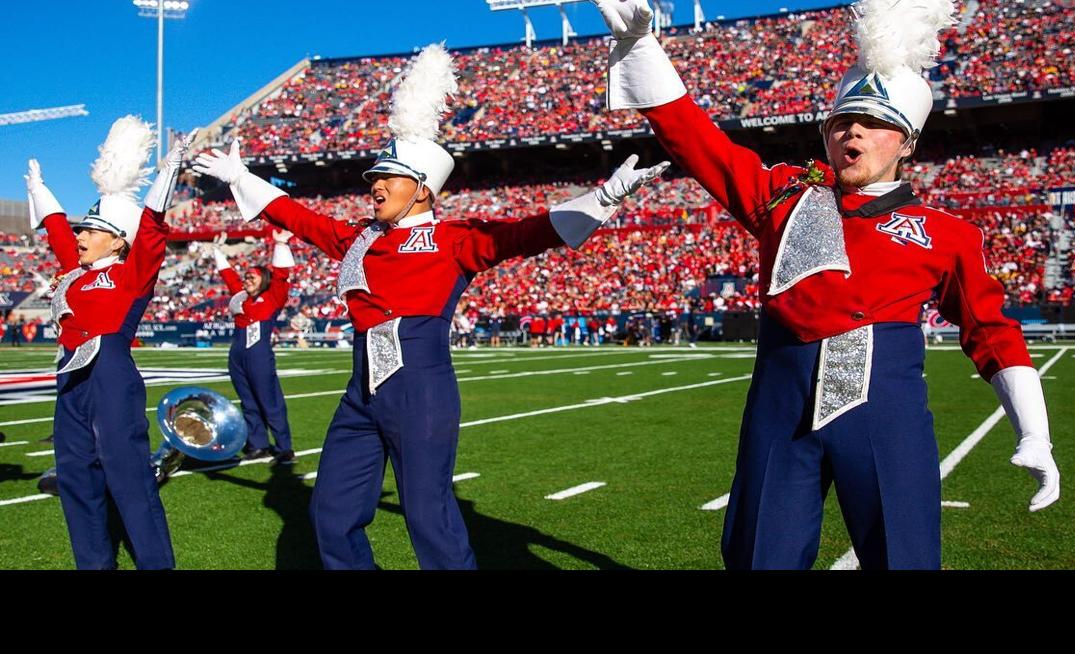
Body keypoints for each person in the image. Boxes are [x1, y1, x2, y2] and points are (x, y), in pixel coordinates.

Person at [590, 0, 1060, 569]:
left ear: (907, 142)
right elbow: (700, 143)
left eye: (876, 124)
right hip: (779, 406)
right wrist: (642, 47)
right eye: (842, 122)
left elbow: (991, 331)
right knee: (759, 555)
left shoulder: (948, 233)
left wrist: (1034, 431)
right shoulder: (785, 195)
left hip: (886, 409)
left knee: (903, 555)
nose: (853, 132)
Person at [194, 43, 668, 570]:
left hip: (420, 386)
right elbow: (299, 217)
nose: (374, 185)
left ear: (421, 189)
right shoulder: (356, 236)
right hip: (360, 391)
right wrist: (240, 176)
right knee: (331, 512)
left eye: (387, 178)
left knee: (428, 518)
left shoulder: (452, 238)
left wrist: (602, 198)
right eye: (374, 177)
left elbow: (522, 235)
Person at [26, 119, 193, 569]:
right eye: (82, 229)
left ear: (118, 239)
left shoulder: (130, 274)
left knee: (129, 481)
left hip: (111, 376)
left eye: (91, 230)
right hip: (71, 381)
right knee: (77, 481)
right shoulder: (76, 269)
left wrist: (168, 172)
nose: (80, 236)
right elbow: (59, 231)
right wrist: (40, 191)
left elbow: (153, 230)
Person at [212, 229, 297, 463]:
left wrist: (280, 244)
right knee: (248, 401)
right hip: (237, 354)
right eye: (246, 276)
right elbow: (229, 275)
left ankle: (284, 447)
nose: (246, 279)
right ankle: (258, 444)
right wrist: (216, 251)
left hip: (259, 354)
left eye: (252, 277)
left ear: (264, 280)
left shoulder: (272, 297)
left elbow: (281, 275)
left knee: (270, 401)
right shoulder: (240, 297)